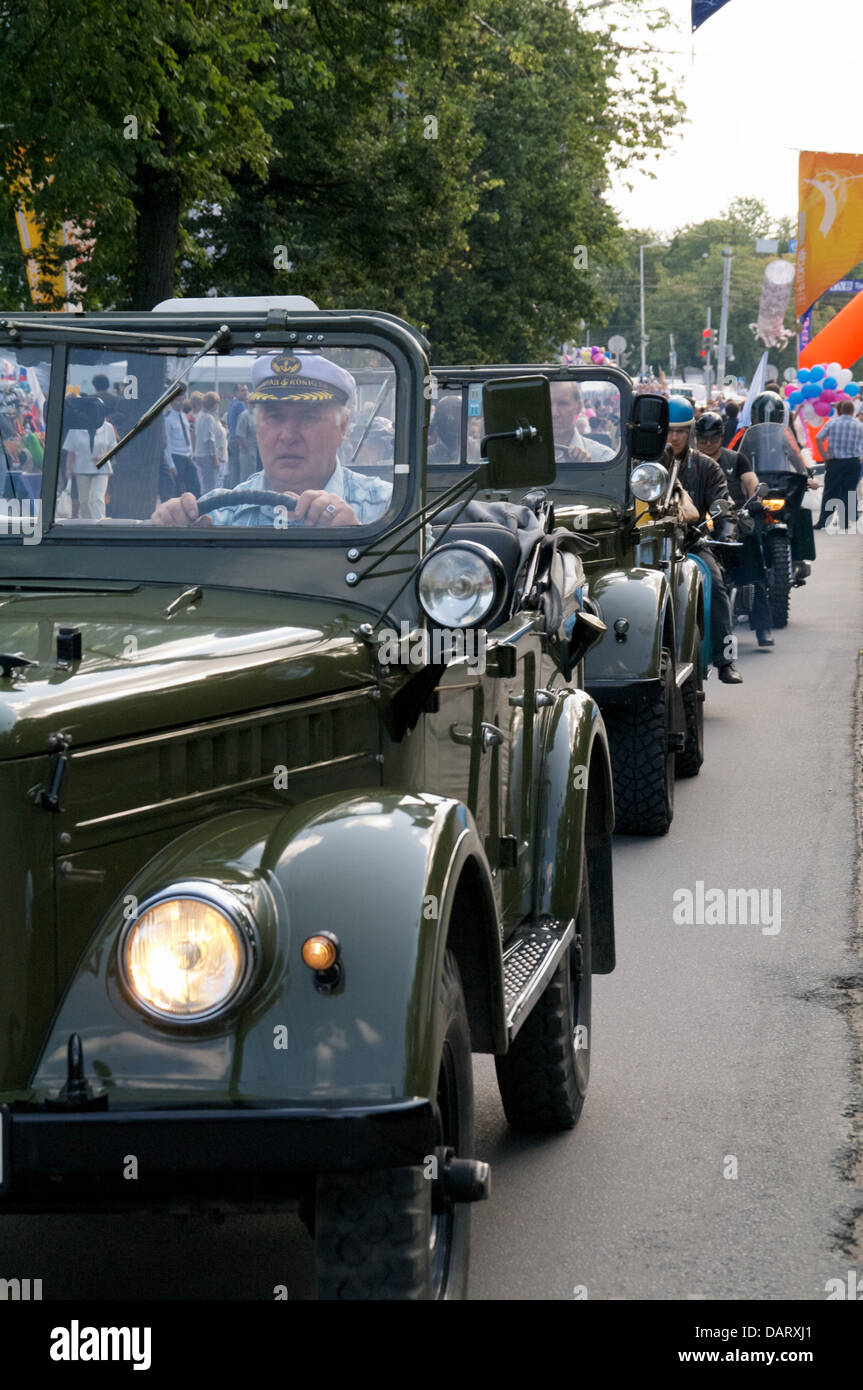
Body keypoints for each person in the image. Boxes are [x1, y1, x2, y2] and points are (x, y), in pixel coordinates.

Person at [150, 352, 392, 529]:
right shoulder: (216, 515)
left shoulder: (388, 511)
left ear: (342, 427)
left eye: (308, 417)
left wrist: (365, 546)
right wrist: (170, 539)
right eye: (274, 417)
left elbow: (426, 590)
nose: (287, 436)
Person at [664, 396, 742, 684]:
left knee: (717, 587)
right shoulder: (645, 464)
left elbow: (723, 503)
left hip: (691, 543)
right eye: (670, 430)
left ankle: (725, 661)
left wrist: (726, 531)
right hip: (648, 545)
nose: (674, 437)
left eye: (681, 431)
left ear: (690, 433)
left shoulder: (707, 467)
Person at [695, 411, 773, 648]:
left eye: (713, 439)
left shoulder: (736, 459)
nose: (708, 444)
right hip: (699, 522)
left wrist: (753, 496)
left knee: (752, 565)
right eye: (703, 440)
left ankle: (762, 626)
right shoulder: (690, 462)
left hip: (734, 519)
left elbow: (750, 480)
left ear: (721, 437)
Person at [813, 399, 863, 530]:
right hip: (853, 462)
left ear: (840, 410)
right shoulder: (859, 425)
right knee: (850, 491)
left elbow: (819, 438)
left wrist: (824, 456)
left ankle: (823, 521)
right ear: (853, 411)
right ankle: (848, 521)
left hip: (835, 462)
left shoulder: (832, 423)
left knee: (830, 491)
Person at [551, 381, 615, 461]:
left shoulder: (604, 458)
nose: (554, 413)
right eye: (547, 404)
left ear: (578, 407)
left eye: (563, 404)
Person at [162, 388, 200, 497]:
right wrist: (171, 465)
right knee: (178, 490)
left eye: (183, 399)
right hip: (176, 456)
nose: (181, 402)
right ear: (171, 401)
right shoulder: (167, 419)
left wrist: (191, 453)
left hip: (187, 456)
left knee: (195, 487)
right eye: (178, 400)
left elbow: (187, 435)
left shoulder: (184, 416)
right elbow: (167, 444)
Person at [193, 391, 228, 493]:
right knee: (211, 486)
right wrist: (215, 459)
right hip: (208, 457)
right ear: (214, 404)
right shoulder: (208, 418)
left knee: (205, 484)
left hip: (201, 454)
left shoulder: (200, 415)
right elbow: (209, 440)